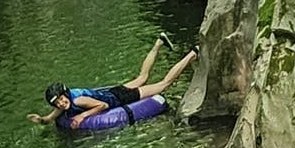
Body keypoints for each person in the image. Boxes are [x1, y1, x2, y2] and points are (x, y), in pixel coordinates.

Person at [28, 38, 199, 129]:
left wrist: (83, 116)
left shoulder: (78, 100)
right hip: (113, 93)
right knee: (142, 77)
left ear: (66, 94)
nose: (61, 104)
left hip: (120, 98)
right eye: (57, 103)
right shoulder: (63, 105)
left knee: (164, 84)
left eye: (61, 100)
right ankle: (159, 43)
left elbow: (101, 106)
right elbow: (49, 118)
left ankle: (192, 54)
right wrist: (40, 119)